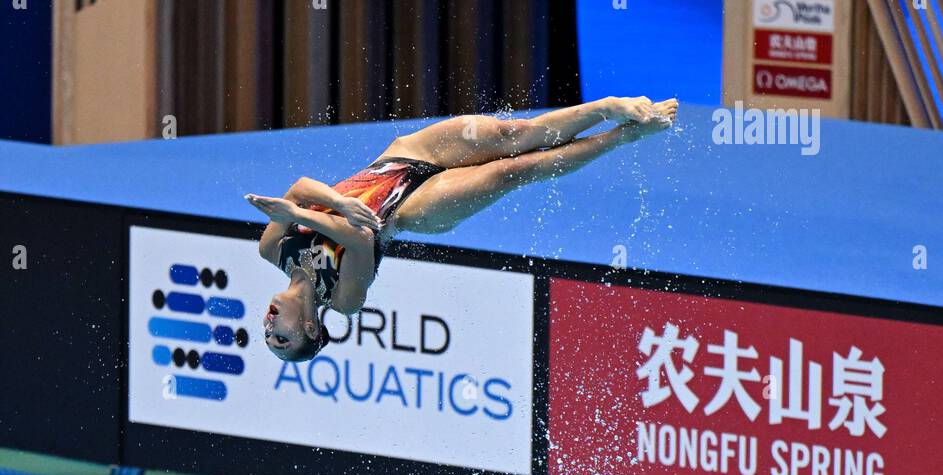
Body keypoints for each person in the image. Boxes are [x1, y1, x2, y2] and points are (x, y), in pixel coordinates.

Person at [247, 95, 679, 361]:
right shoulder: (344, 300)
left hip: (403, 156)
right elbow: (360, 236)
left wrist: (334, 203)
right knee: (512, 172)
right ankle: (622, 137)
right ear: (308, 329)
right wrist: (303, 214)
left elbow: (299, 186)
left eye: (267, 336)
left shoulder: (271, 251)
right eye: (280, 340)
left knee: (516, 133)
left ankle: (606, 107)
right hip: (415, 209)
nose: (269, 329)